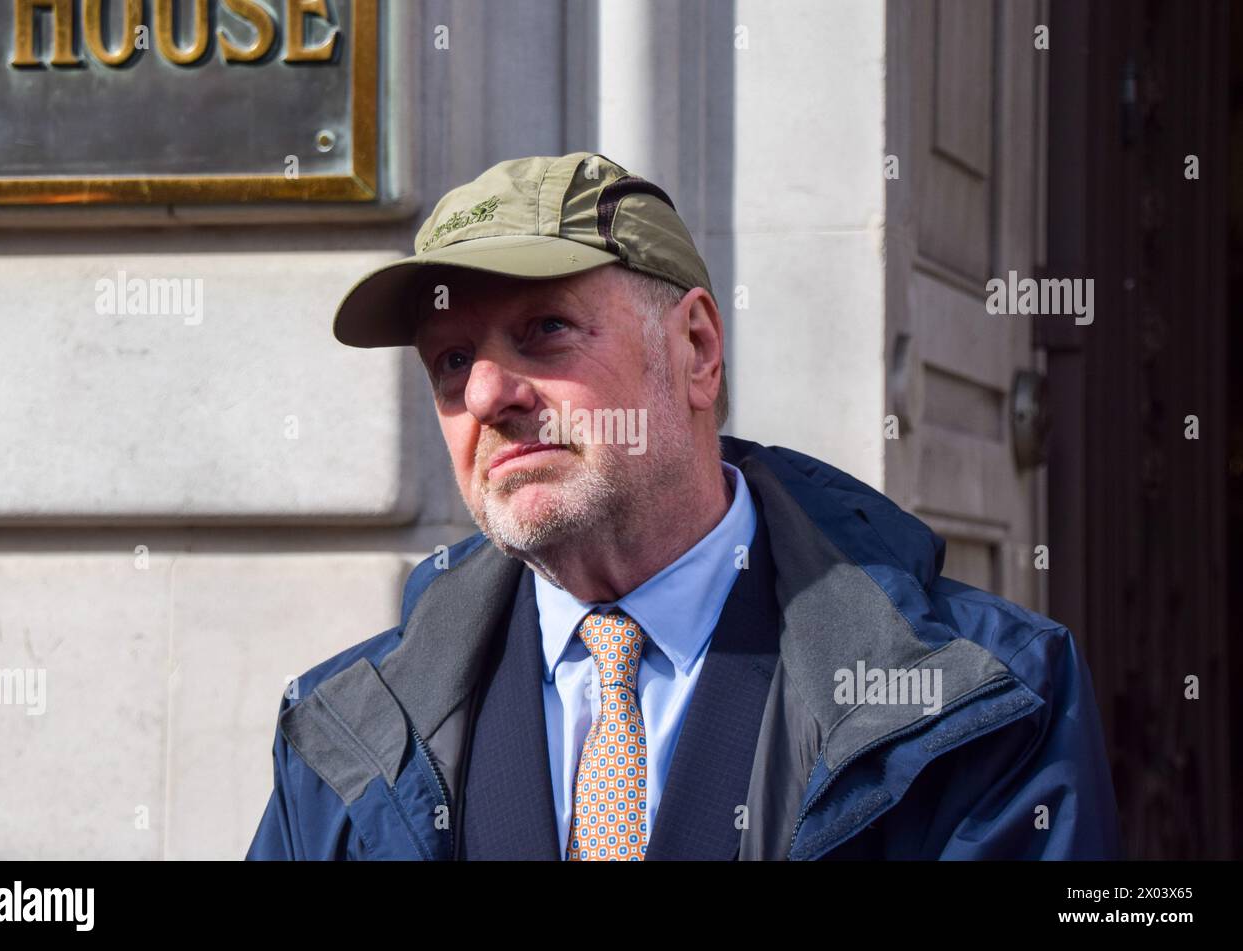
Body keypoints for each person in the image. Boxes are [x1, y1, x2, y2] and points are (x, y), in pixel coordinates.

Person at [246, 152, 1122, 860]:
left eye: (545, 329)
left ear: (696, 347)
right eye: (448, 361)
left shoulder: (987, 701)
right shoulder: (343, 737)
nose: (484, 396)